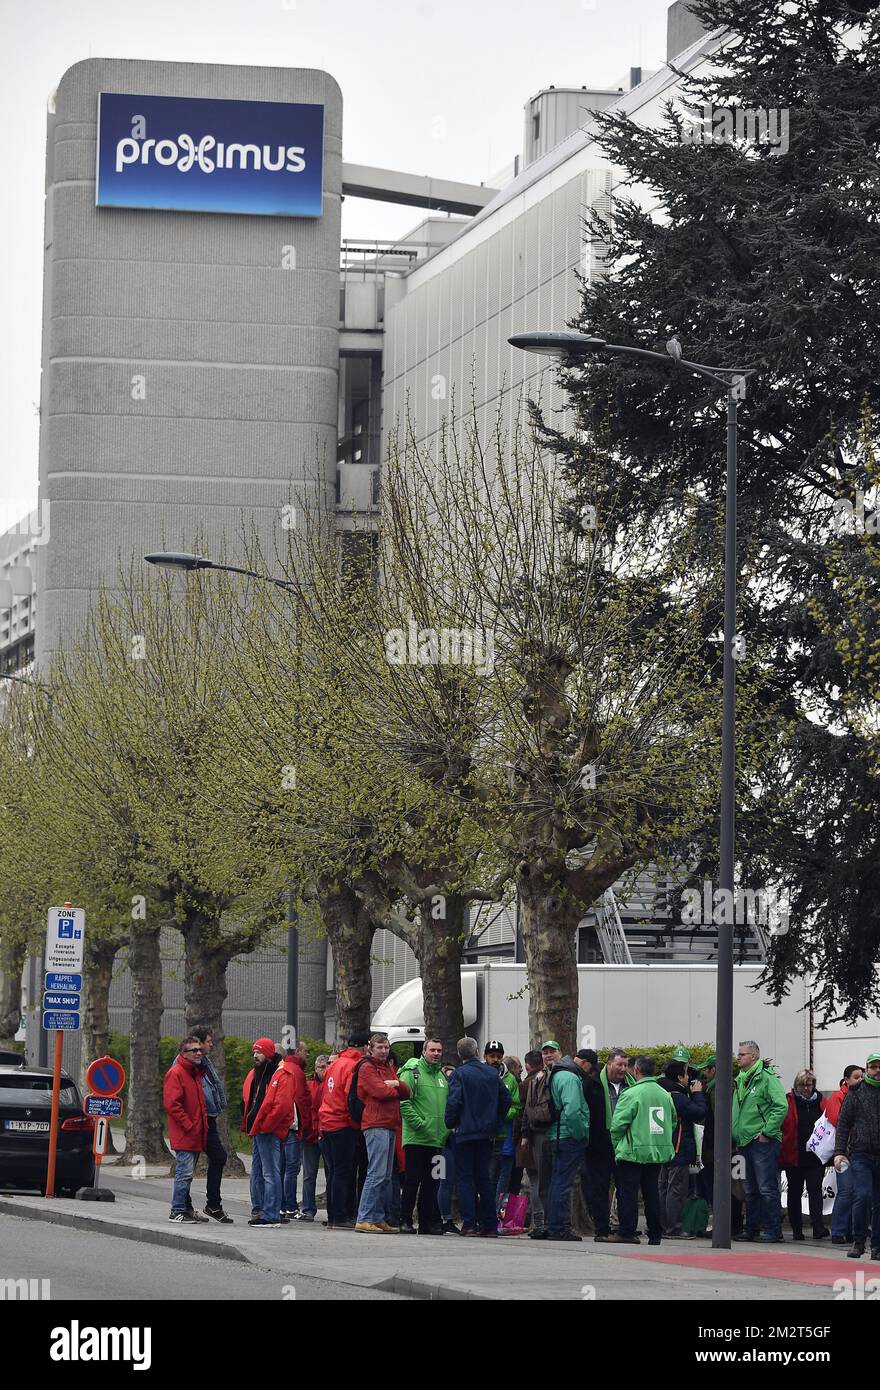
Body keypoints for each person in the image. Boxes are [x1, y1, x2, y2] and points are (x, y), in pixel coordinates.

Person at [444, 1037, 512, 1236]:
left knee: (465, 1178)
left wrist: (451, 1123)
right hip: (486, 1132)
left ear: (459, 1054)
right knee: (484, 1178)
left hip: (464, 1132)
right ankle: (490, 1224)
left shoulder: (459, 1074)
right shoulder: (492, 1074)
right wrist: (496, 1120)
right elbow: (506, 1099)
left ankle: (470, 1223)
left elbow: (454, 1102)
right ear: (476, 1052)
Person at [610, 1055, 676, 1245]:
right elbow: (671, 1121)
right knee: (652, 1193)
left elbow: (618, 1125)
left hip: (632, 1151)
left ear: (636, 1071)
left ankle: (627, 1231)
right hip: (657, 1151)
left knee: (628, 1194)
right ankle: (655, 1233)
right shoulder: (664, 1094)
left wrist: (617, 1145)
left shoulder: (631, 1093)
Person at [731, 1040, 789, 1243]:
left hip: (761, 1141)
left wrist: (767, 1131)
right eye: (738, 1054)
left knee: (766, 1187)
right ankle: (752, 1228)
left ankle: (773, 1229)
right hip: (745, 1141)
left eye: (742, 1054)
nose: (738, 1057)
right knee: (750, 1189)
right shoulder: (742, 1078)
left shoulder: (765, 1078)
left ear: (753, 1057)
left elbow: (781, 1105)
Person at [354, 1032, 410, 1233]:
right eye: (380, 1047)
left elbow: (406, 1091)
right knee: (376, 1173)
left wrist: (395, 1084)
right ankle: (365, 1217)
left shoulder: (388, 1068)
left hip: (389, 1123)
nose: (384, 1051)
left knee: (385, 1176)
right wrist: (396, 1088)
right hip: (375, 1124)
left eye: (386, 1047)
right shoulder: (367, 1068)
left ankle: (377, 1217)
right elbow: (380, 1092)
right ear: (371, 1047)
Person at [397, 1037, 449, 1235]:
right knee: (413, 1180)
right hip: (417, 1139)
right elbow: (404, 1102)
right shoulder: (412, 1073)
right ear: (424, 1051)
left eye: (439, 1050)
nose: (436, 1054)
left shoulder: (442, 1077)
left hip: (438, 1140)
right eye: (433, 1050)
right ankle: (405, 1220)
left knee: (434, 1181)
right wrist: (420, 1124)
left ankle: (428, 1222)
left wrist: (446, 1128)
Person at [242, 1037, 295, 1228]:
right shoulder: (261, 1073)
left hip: (267, 1129)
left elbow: (280, 1106)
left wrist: (265, 1125)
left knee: (269, 1172)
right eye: (254, 1052)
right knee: (258, 1171)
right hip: (259, 1128)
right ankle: (261, 1209)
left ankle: (270, 1213)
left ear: (270, 1054)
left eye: (259, 1052)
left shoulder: (280, 1074)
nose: (255, 1055)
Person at [318, 1032, 369, 1230]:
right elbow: (351, 1095)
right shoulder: (354, 1065)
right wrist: (358, 1119)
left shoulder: (336, 1063)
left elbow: (325, 1091)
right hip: (343, 1123)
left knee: (334, 1172)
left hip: (328, 1121)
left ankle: (334, 1215)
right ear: (364, 1047)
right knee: (343, 1172)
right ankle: (340, 1216)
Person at [834, 1051, 880, 1260]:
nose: (877, 1070)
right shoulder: (856, 1092)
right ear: (866, 1069)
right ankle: (859, 1242)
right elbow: (843, 1125)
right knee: (862, 1196)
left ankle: (877, 1247)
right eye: (873, 1066)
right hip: (861, 1153)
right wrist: (839, 1152)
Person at [584, 1047, 633, 1241]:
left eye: (626, 1065)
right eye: (619, 1064)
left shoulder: (631, 1085)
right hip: (599, 1145)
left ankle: (626, 1229)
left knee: (625, 1188)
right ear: (609, 1063)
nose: (623, 1069)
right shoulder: (592, 1083)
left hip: (624, 1144)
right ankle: (601, 1230)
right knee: (600, 1189)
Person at [545, 1051, 591, 1242]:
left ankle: (552, 1224)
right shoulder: (571, 1078)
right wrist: (581, 1133)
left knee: (556, 1181)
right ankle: (560, 1227)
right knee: (564, 1183)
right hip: (568, 1136)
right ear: (585, 1063)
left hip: (555, 1134)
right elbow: (572, 1110)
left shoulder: (556, 1074)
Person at [163, 1036, 210, 1224]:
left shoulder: (194, 1073)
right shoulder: (177, 1073)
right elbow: (172, 1104)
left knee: (188, 1175)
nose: (199, 1053)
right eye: (194, 1050)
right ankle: (177, 1210)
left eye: (200, 1049)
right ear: (183, 1054)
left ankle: (186, 1209)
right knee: (184, 1173)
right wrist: (189, 1125)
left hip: (195, 1133)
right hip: (186, 1133)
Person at [657, 1059, 706, 1238]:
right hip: (677, 1147)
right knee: (676, 1190)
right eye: (686, 1073)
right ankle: (673, 1228)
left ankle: (661, 1226)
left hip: (662, 1146)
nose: (689, 1077)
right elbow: (699, 1113)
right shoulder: (677, 1096)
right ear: (679, 1077)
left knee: (663, 1188)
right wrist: (697, 1094)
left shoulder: (661, 1092)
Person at [780, 1068, 829, 1241]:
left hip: (815, 1155)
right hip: (794, 1154)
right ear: (796, 1086)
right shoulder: (788, 1100)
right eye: (802, 1085)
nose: (806, 1088)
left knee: (815, 1189)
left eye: (809, 1085)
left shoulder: (821, 1101)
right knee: (794, 1192)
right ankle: (797, 1229)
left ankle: (818, 1227)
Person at [190, 1025, 232, 1223]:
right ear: (198, 1043)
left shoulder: (205, 1062)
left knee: (216, 1157)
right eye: (208, 1041)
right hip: (200, 1118)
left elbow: (213, 1087)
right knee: (190, 1162)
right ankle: (192, 1205)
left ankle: (211, 1204)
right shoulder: (192, 1064)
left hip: (209, 1117)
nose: (211, 1045)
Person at [826, 1065, 863, 1244]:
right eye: (856, 1077)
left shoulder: (864, 1096)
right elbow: (837, 1120)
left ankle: (853, 1230)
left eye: (861, 1077)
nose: (860, 1080)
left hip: (859, 1151)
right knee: (846, 1191)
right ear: (846, 1080)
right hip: (844, 1151)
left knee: (859, 1193)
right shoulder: (838, 1096)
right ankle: (838, 1231)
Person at [483, 1040, 521, 1210]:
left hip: (503, 1134)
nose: (495, 1060)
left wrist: (502, 1115)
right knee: (488, 1175)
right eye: (492, 1056)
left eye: (499, 1056)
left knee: (503, 1176)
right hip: (483, 1134)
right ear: (485, 1057)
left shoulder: (510, 1079)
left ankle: (496, 1210)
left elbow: (516, 1105)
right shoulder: (480, 1074)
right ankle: (486, 1210)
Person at [521, 1049, 553, 1239]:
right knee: (540, 1181)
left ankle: (540, 1221)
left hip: (532, 1136)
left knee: (536, 1181)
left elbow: (522, 1113)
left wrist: (523, 1136)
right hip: (541, 1134)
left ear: (527, 1065)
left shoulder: (528, 1083)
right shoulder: (545, 1079)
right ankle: (543, 1221)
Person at [279, 1041, 313, 1219]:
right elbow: (301, 1100)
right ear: (298, 1051)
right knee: (292, 1168)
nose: (308, 1054)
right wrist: (306, 1125)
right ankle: (290, 1207)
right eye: (306, 1051)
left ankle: (282, 1205)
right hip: (293, 1126)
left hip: (284, 1126)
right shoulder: (296, 1071)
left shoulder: (283, 1067)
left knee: (283, 1167)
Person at [300, 1054, 329, 1223]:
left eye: (325, 1067)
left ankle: (333, 1207)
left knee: (330, 1173)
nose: (323, 1071)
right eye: (320, 1067)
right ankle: (308, 1208)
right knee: (309, 1174)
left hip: (326, 1133)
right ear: (315, 1069)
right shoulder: (309, 1085)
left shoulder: (331, 1084)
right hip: (310, 1134)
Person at [437, 1064, 459, 1233]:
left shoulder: (457, 1093)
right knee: (443, 1180)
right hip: (442, 1141)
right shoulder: (440, 1094)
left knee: (450, 1181)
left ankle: (447, 1218)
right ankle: (443, 1217)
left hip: (456, 1140)